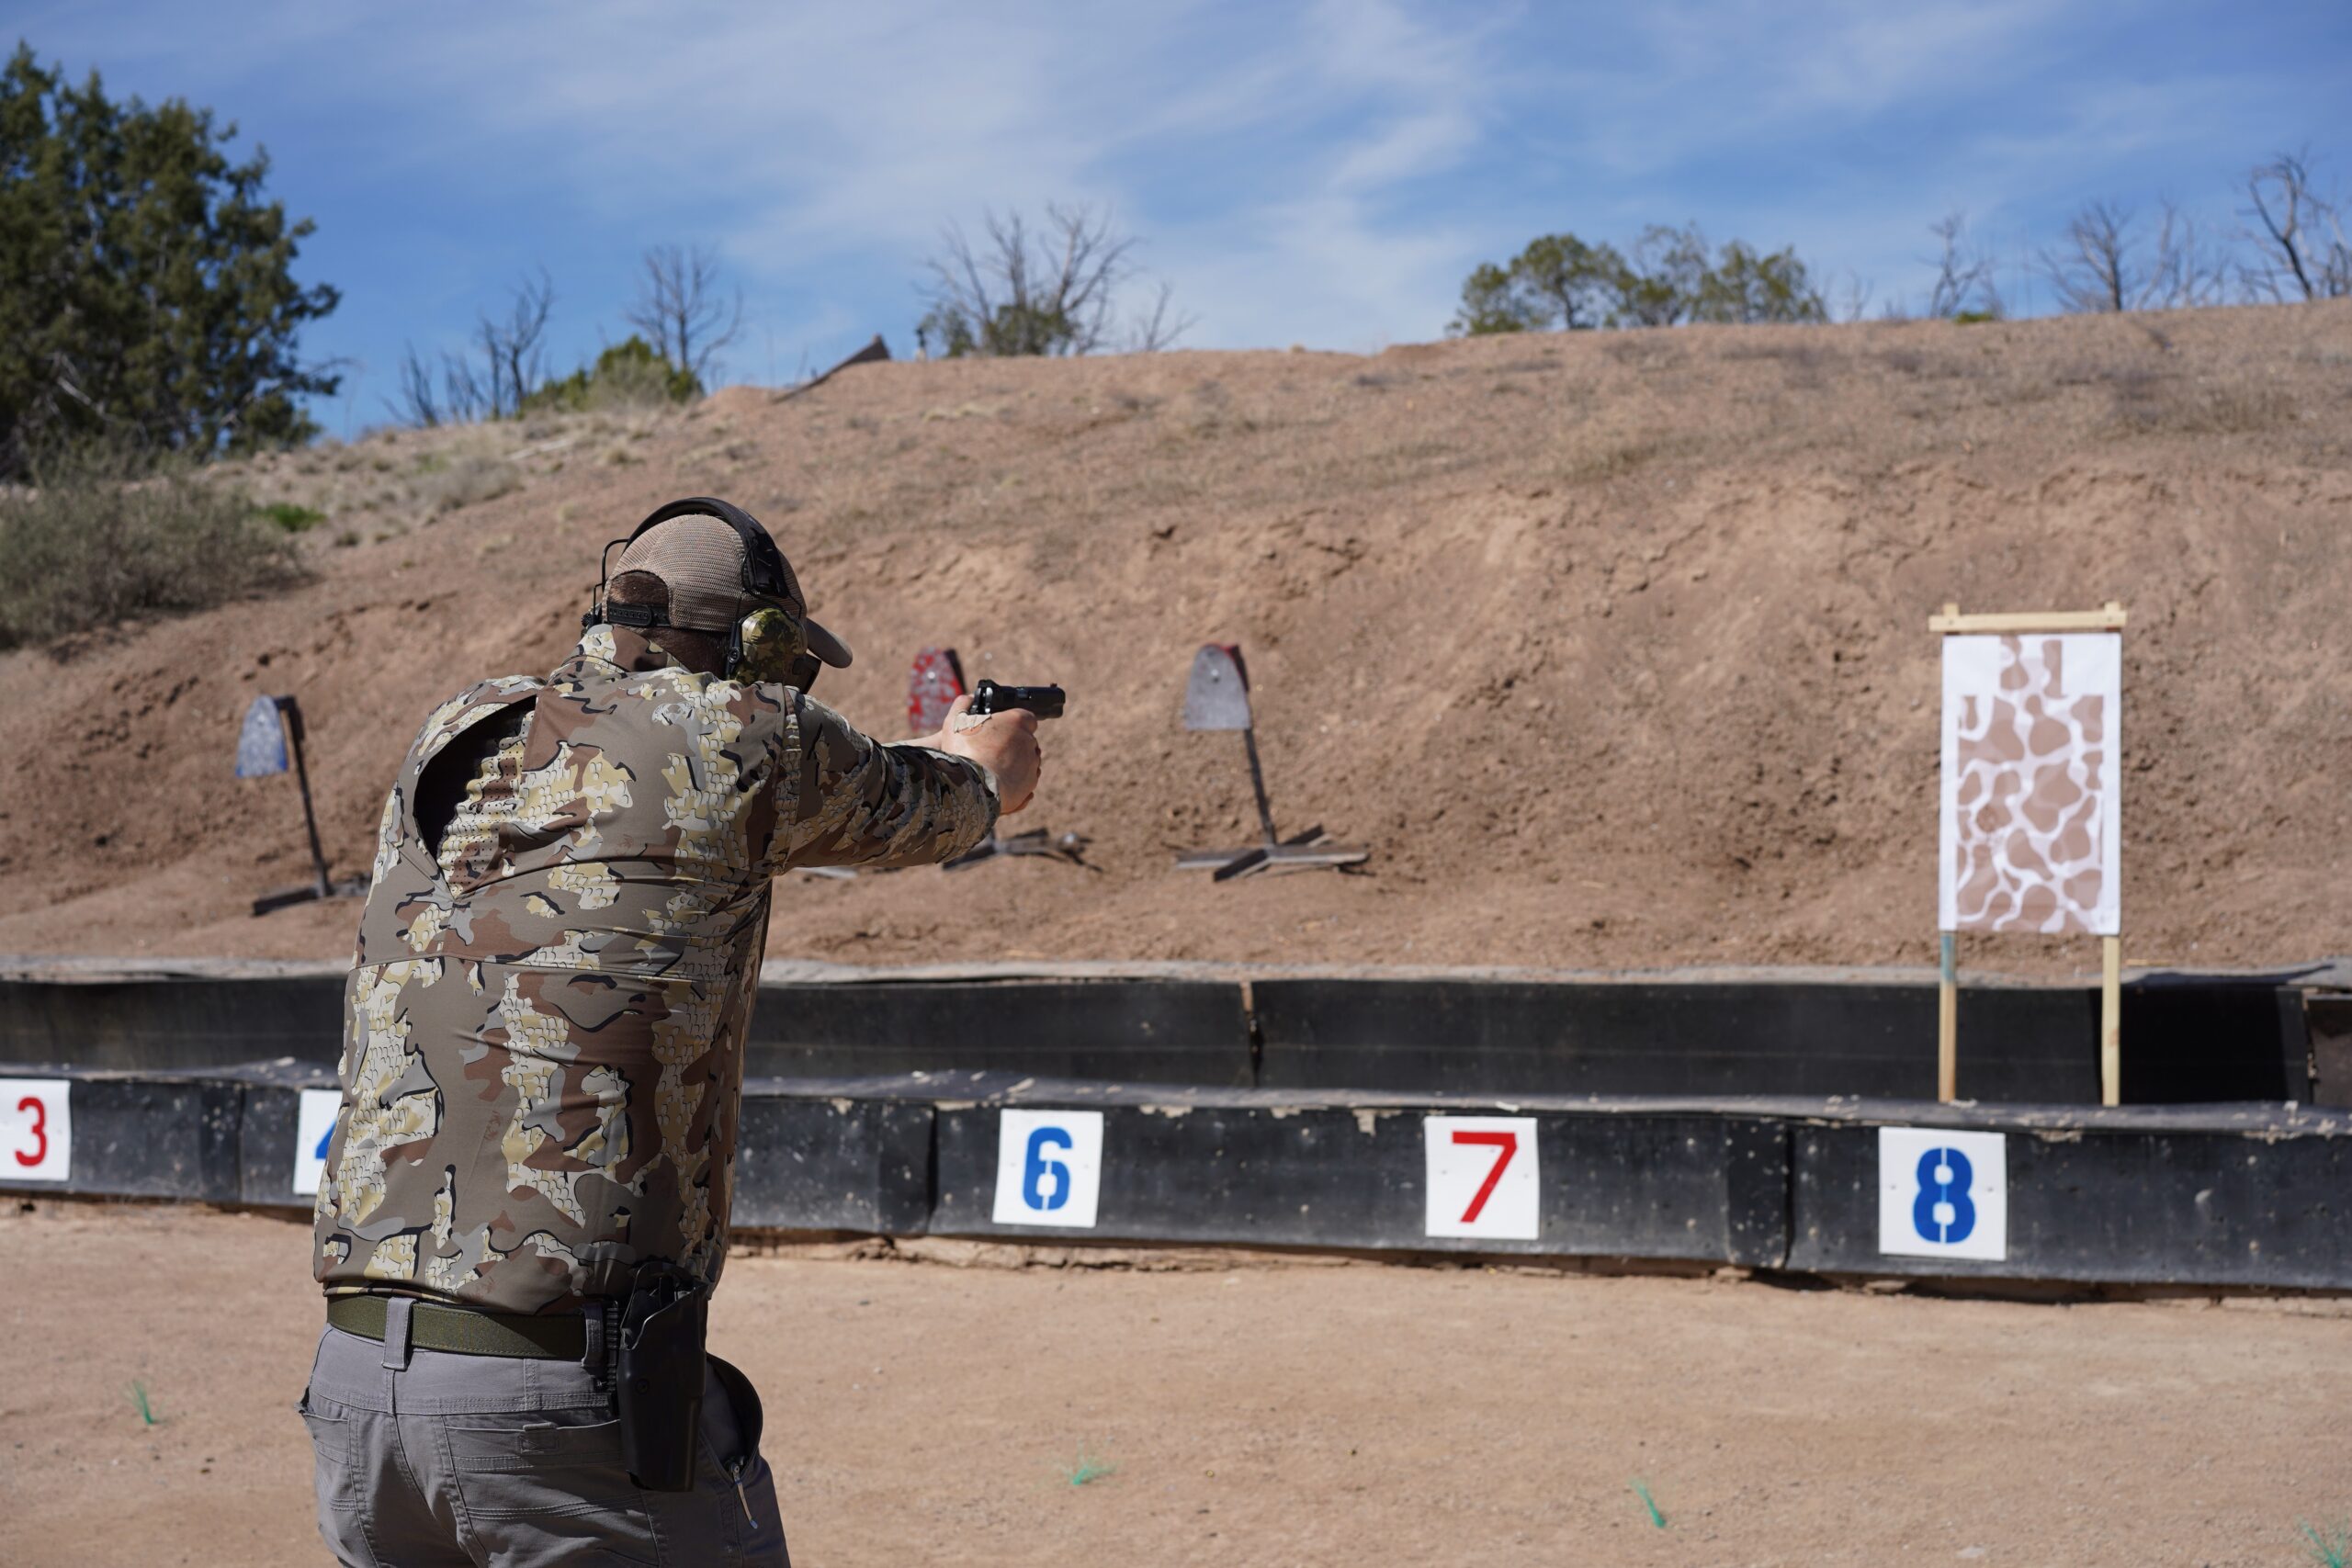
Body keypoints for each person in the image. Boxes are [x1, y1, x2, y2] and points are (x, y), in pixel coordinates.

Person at [298, 497, 1040, 1565]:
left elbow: (665, 782)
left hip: (359, 1386)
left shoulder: (454, 727)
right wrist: (984, 763)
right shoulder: (747, 731)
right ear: (762, 644)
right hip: (561, 1407)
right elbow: (948, 802)